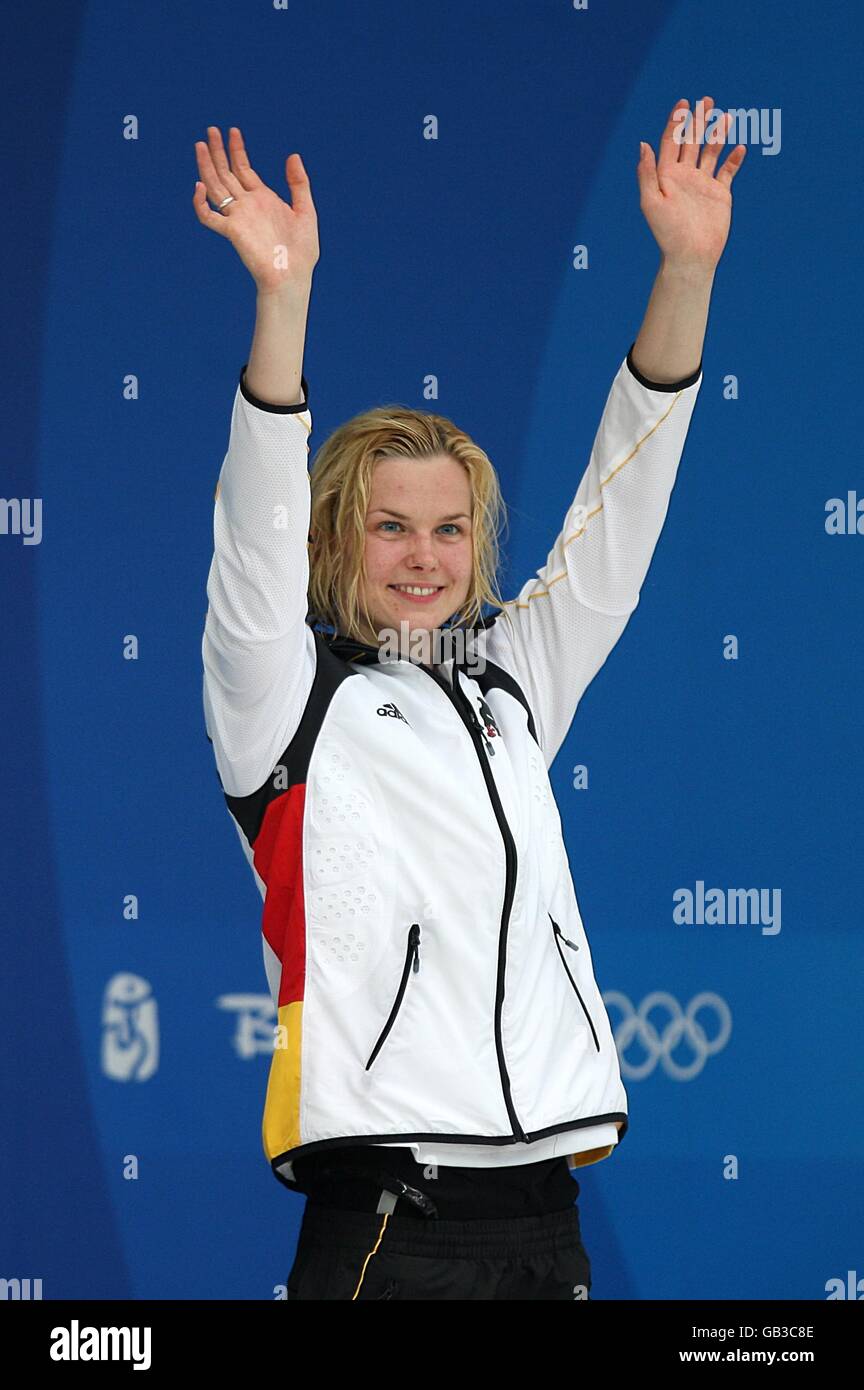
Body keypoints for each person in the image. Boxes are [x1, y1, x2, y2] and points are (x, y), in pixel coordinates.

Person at [194, 99, 744, 1300]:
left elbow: (621, 516)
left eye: (449, 528)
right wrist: (281, 302)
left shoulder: (513, 682)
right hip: (389, 1225)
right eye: (391, 526)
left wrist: (687, 270)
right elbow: (254, 533)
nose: (425, 556)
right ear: (338, 533)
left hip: (550, 1217)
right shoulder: (283, 697)